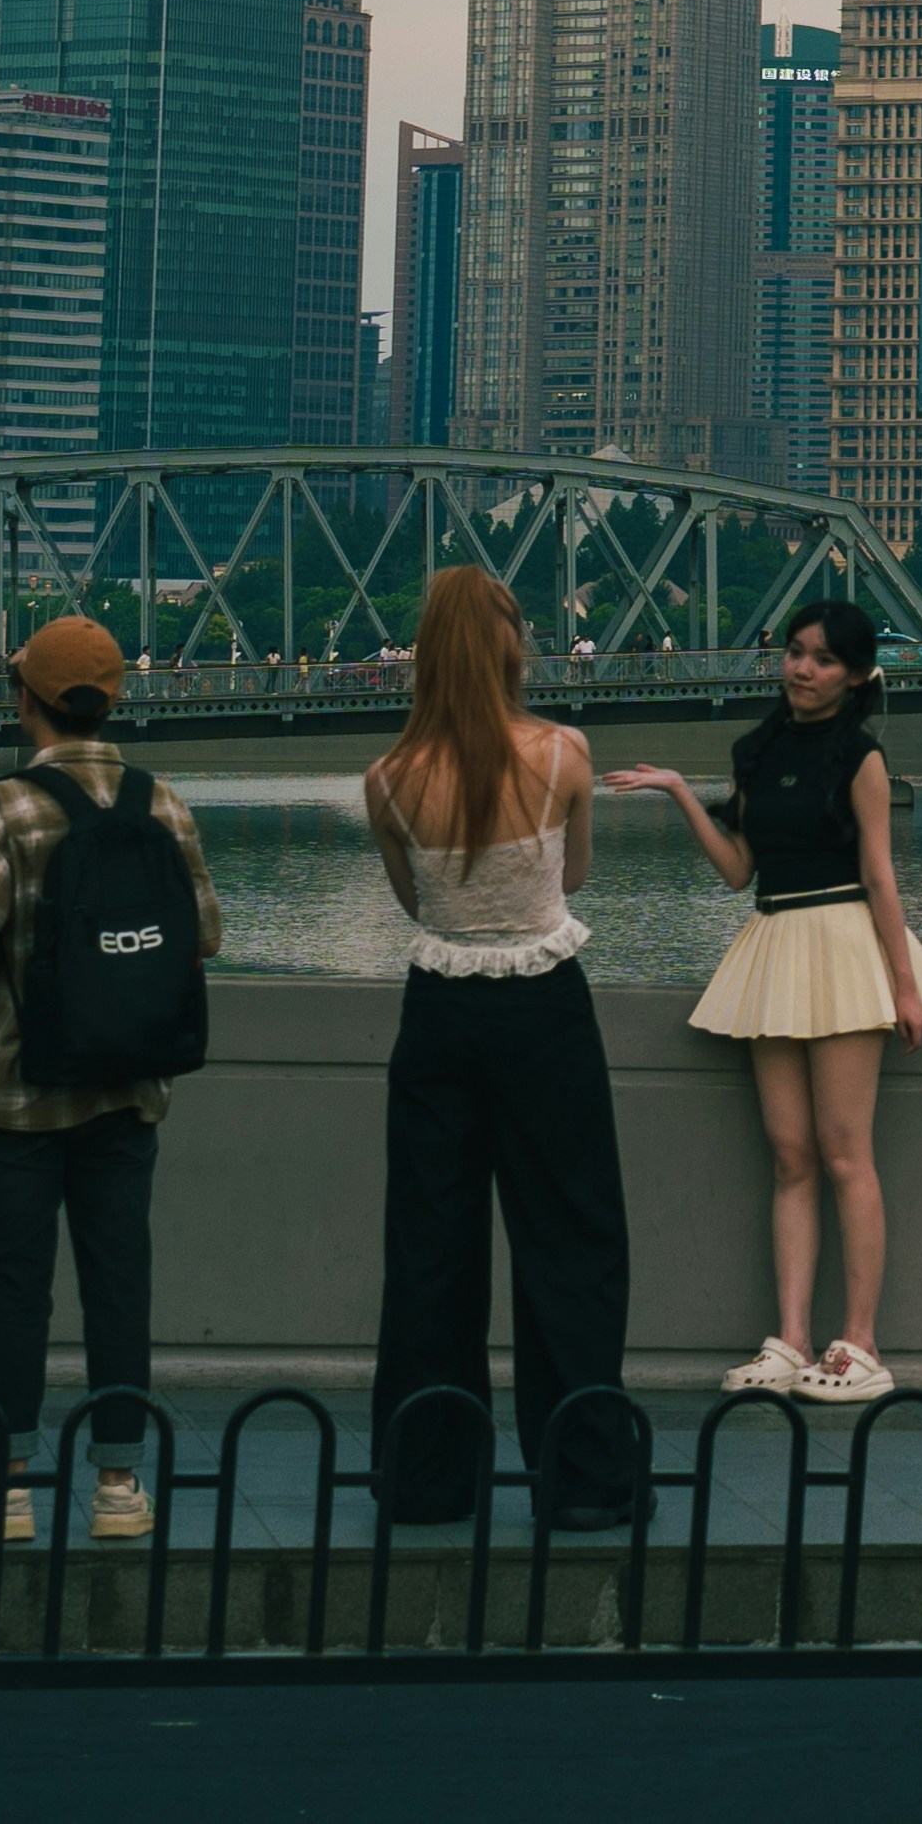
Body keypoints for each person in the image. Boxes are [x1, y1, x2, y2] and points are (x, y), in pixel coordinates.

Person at [0, 618, 222, 1545]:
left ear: (28, 698)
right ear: (112, 698)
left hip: (16, 1093)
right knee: (119, 1283)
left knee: (17, 1290)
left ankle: (5, 1490)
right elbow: (205, 934)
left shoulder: (5, 804)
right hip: (128, 1089)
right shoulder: (159, 799)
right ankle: (119, 1486)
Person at [612, 597, 922, 1403]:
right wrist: (677, 791)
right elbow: (739, 871)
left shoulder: (861, 759)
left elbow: (878, 874)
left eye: (823, 658)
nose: (802, 668)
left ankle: (861, 1343)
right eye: (795, 651)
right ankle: (791, 1340)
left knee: (844, 1152)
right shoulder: (755, 751)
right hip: (775, 940)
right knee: (791, 1155)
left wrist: (905, 986)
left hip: (841, 946)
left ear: (856, 674)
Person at [363, 567, 639, 1525]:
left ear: (428, 653)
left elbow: (414, 902)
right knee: (571, 1238)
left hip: (438, 1010)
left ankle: (428, 1475)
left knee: (431, 1250)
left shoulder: (388, 778)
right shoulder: (564, 753)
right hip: (546, 1010)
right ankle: (587, 1475)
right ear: (513, 644)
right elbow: (579, 875)